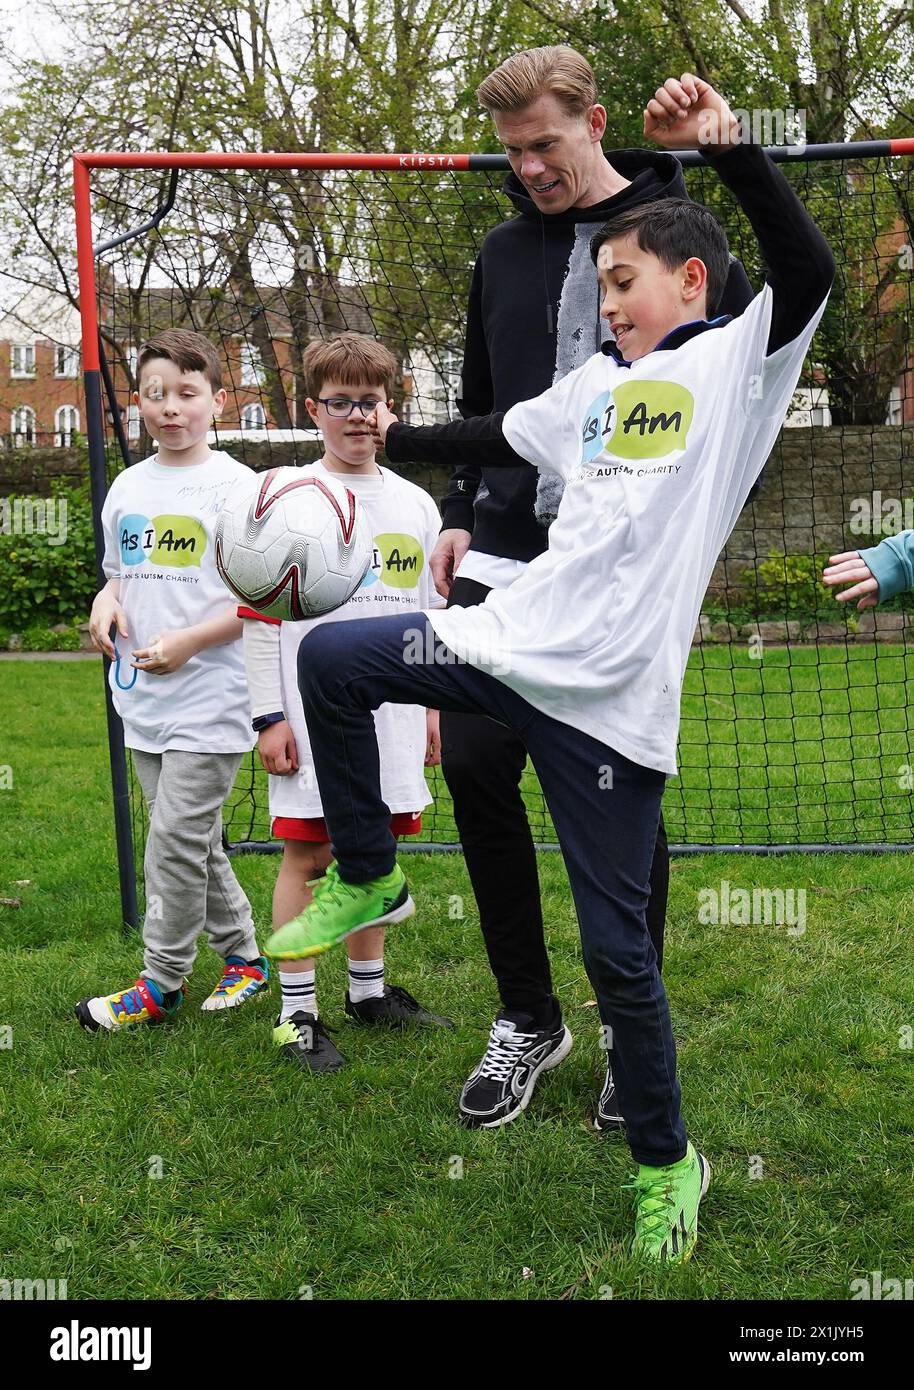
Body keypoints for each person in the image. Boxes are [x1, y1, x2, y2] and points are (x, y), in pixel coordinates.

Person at [265, 73, 834, 1262]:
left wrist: (724, 149)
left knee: (617, 957)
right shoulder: (592, 390)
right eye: (597, 284)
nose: (604, 301)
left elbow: (805, 267)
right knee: (331, 655)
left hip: (610, 707)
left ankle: (666, 1160)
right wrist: (377, 436)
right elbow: (488, 430)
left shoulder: (735, 366)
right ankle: (369, 873)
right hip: (505, 643)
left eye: (620, 282)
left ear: (687, 282)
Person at [427, 44, 755, 1131]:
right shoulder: (499, 251)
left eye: (545, 144)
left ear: (594, 120)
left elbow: (750, 337)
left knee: (615, 786)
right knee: (473, 764)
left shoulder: (671, 226)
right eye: (511, 152)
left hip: (616, 567)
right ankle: (528, 1015)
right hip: (505, 553)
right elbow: (479, 394)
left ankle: (627, 1027)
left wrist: (709, 143)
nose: (527, 168)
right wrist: (456, 512)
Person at [241, 332, 453, 1070]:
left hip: (393, 718)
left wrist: (431, 710)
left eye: (370, 401)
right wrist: (269, 715)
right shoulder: (289, 498)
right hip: (307, 716)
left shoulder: (419, 505)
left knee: (377, 852)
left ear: (390, 406)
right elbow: (260, 619)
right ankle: (296, 1015)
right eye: (340, 403)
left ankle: (368, 992)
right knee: (308, 852)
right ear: (313, 408)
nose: (357, 417)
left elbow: (431, 615)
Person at [77, 329, 268, 1031]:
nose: (170, 408)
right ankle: (246, 959)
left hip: (214, 699)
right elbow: (117, 574)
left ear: (216, 401)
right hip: (141, 695)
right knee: (189, 837)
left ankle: (160, 983)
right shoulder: (128, 486)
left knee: (174, 843)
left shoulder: (241, 488)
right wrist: (106, 603)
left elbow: (261, 600)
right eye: (156, 394)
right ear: (140, 402)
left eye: (187, 394)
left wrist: (190, 641)